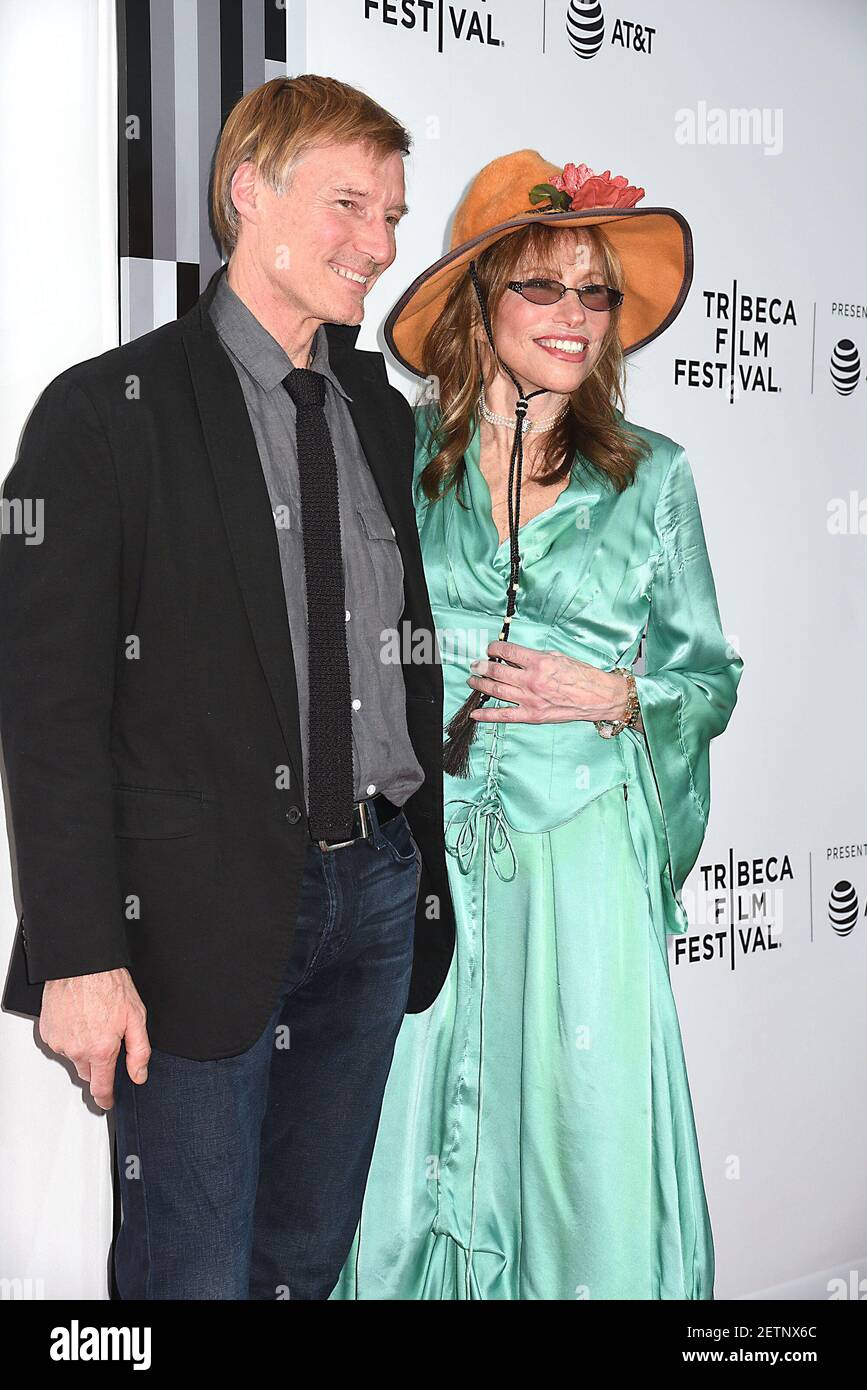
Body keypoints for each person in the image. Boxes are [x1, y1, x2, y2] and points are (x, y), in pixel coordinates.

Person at [0, 74, 457, 1299]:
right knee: (188, 1275)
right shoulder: (103, 415)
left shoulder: (377, 412)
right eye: (349, 204)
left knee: (303, 1266)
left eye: (394, 215)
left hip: (371, 904)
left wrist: (418, 871)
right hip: (189, 927)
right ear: (248, 191)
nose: (380, 244)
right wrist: (79, 955)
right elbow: (47, 716)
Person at [330, 150, 744, 1300]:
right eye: (542, 286)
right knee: (406, 1149)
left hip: (586, 865)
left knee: (582, 1148)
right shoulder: (403, 457)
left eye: (594, 291)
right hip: (427, 859)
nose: (574, 317)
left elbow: (707, 677)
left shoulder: (654, 476)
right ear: (482, 300)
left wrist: (618, 696)